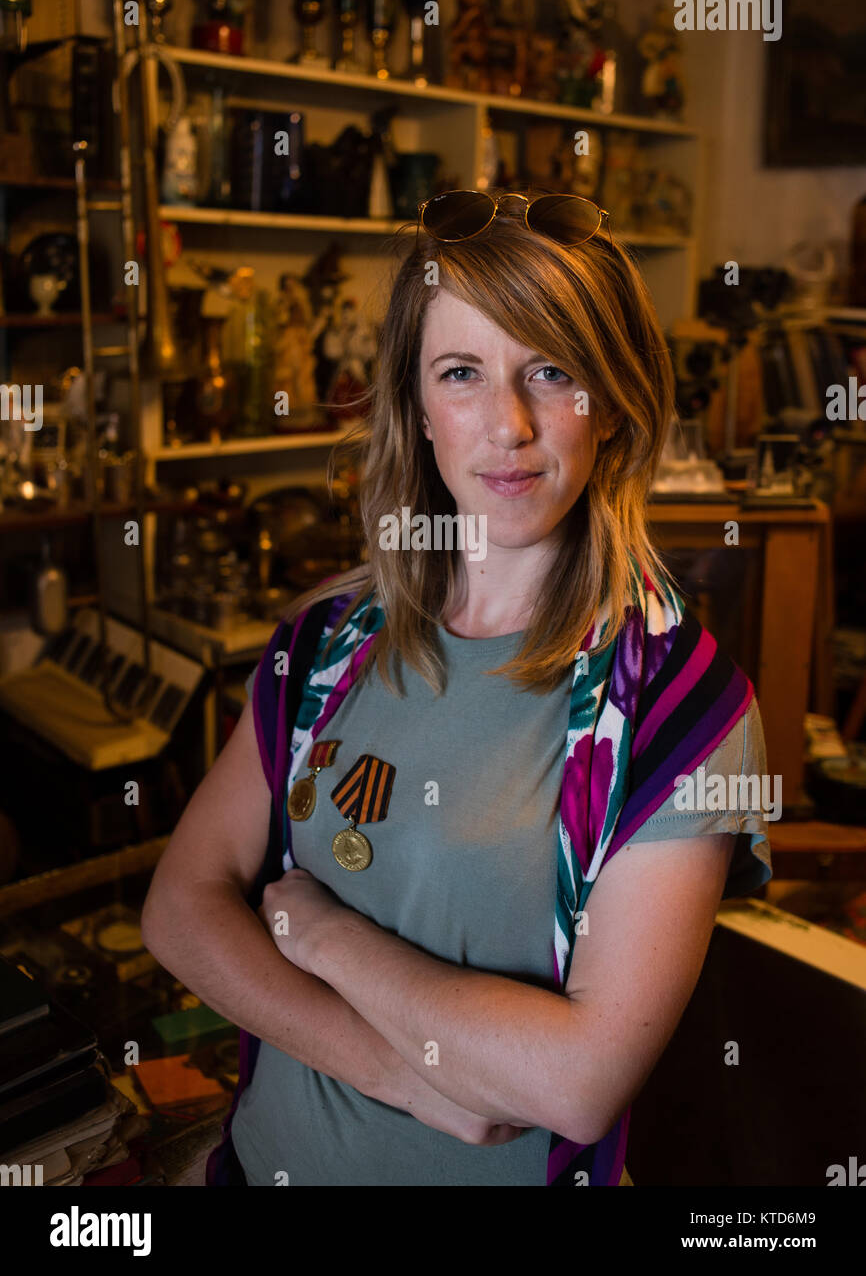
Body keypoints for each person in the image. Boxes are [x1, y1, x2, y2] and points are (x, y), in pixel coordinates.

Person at [141, 189, 772, 1187]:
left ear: (609, 404)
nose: (506, 424)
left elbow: (577, 1079)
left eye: (550, 371)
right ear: (416, 406)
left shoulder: (681, 708)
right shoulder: (323, 644)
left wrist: (322, 932)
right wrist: (400, 1068)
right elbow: (179, 907)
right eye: (461, 372)